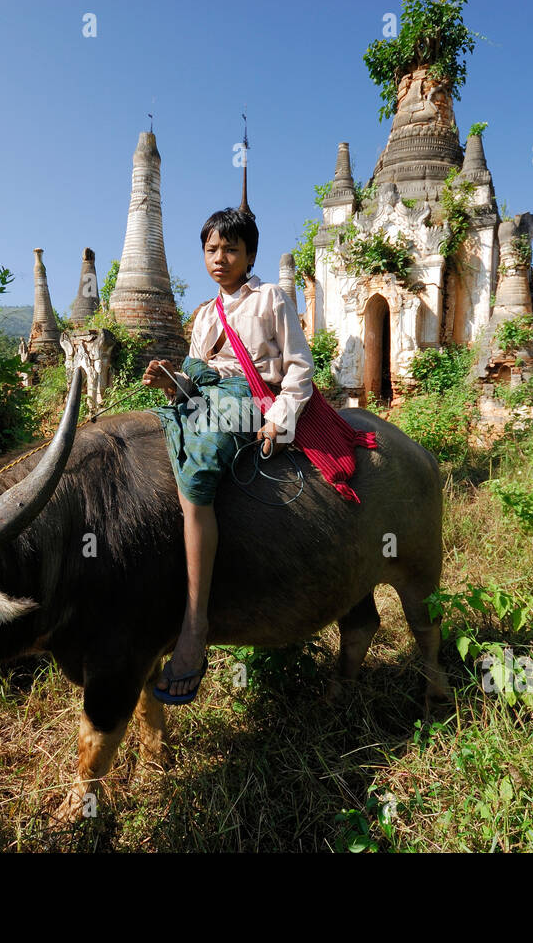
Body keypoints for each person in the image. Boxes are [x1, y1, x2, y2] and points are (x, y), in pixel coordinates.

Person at [143, 207, 315, 704]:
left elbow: (299, 367)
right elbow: (191, 383)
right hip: (203, 397)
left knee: (197, 479)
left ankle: (196, 627)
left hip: (247, 397)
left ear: (250, 255)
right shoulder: (203, 314)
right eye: (212, 250)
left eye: (231, 249)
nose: (220, 258)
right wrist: (169, 381)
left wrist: (281, 418)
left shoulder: (270, 299)